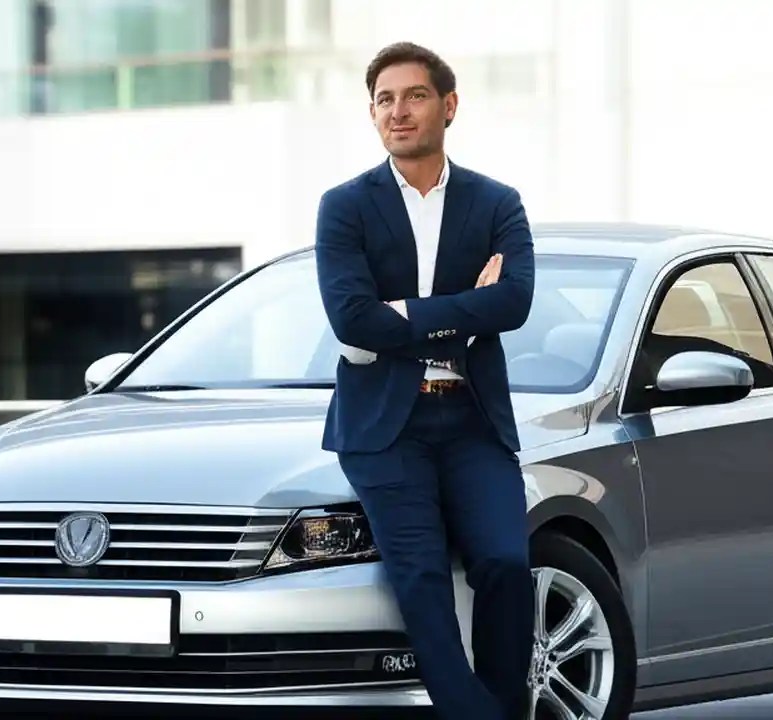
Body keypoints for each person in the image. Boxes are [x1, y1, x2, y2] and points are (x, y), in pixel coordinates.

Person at [313, 41, 536, 720]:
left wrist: (406, 314)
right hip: (385, 428)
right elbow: (353, 319)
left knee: (505, 562)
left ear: (449, 105)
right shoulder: (344, 206)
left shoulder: (496, 202)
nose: (398, 111)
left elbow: (514, 303)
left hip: (472, 420)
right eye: (384, 100)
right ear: (372, 113)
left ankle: (502, 705)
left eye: (414, 96)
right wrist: (463, 312)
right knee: (422, 579)